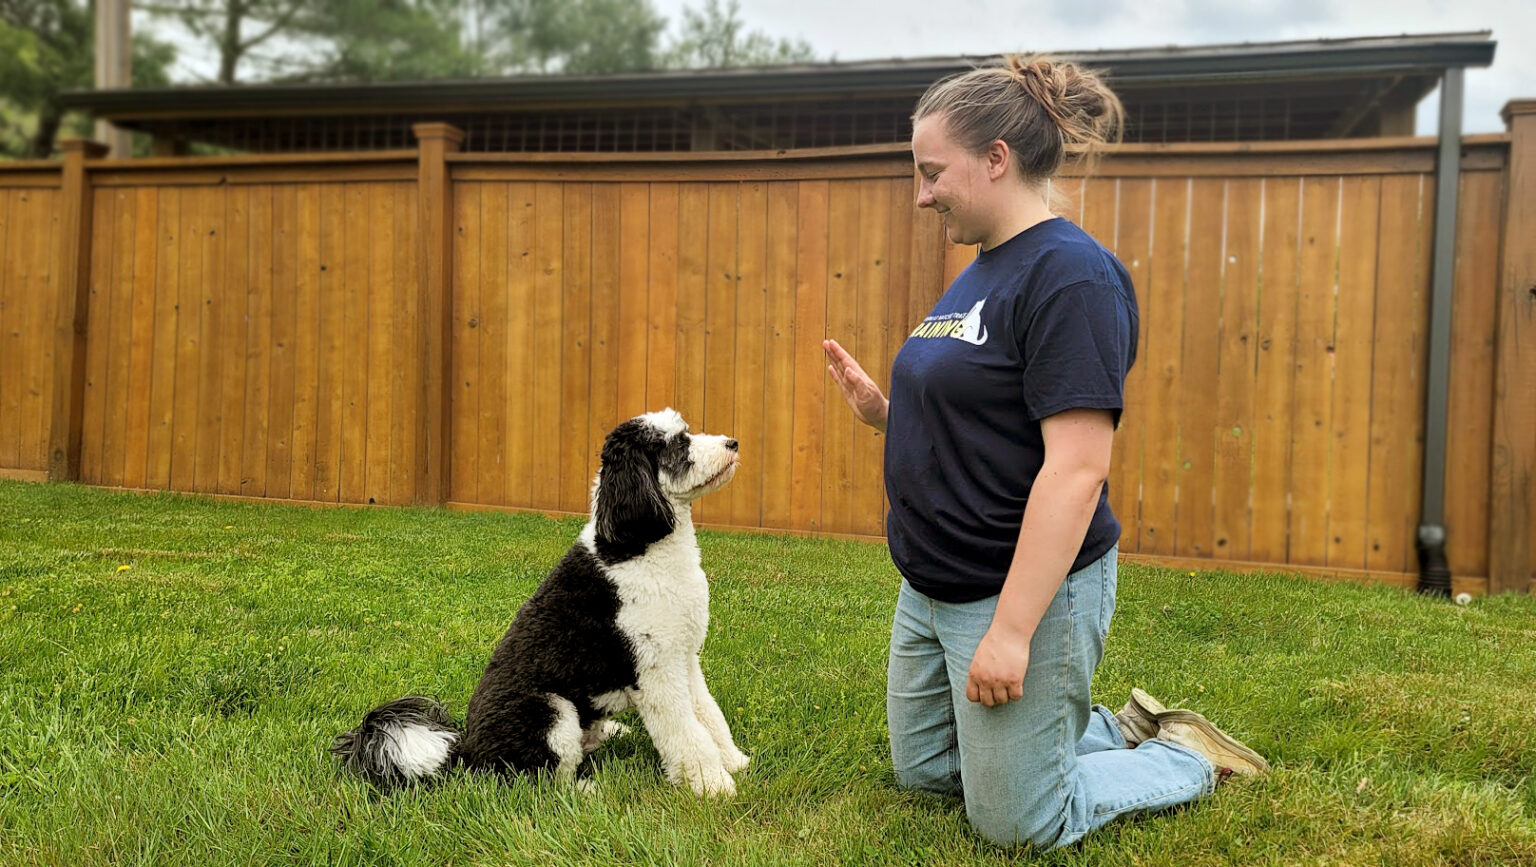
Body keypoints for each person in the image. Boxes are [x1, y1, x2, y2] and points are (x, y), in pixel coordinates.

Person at [822, 55, 1269, 850]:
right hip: (932, 585)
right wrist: (888, 417)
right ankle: (1099, 726)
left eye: (933, 173)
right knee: (926, 772)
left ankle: (1183, 753)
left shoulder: (1072, 278)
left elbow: (1075, 467)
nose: (922, 194)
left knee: (1019, 820)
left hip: (1020, 585)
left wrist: (1013, 632)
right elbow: (989, 420)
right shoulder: (985, 269)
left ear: (997, 158)